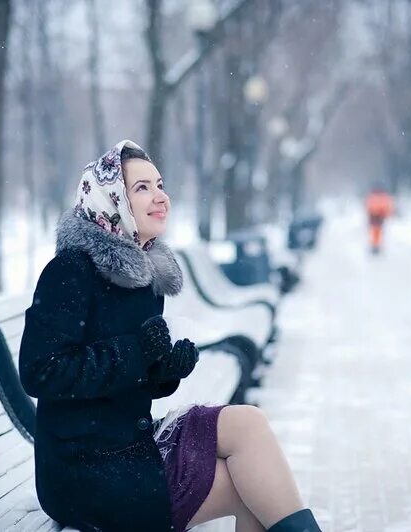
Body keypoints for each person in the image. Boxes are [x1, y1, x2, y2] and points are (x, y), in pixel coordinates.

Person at [19, 139, 321, 532]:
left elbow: (126, 378)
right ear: (111, 200)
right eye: (141, 187)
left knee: (248, 424)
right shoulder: (70, 271)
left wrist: (162, 371)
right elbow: (41, 370)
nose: (160, 196)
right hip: (85, 469)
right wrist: (136, 352)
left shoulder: (143, 275)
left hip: (128, 442)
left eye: (159, 185)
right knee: (252, 486)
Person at [364, 186, 394, 254]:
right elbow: (388, 207)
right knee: (377, 232)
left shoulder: (372, 196)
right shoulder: (383, 197)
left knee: (375, 231)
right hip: (378, 217)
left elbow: (368, 206)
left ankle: (375, 245)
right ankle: (376, 245)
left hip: (375, 217)